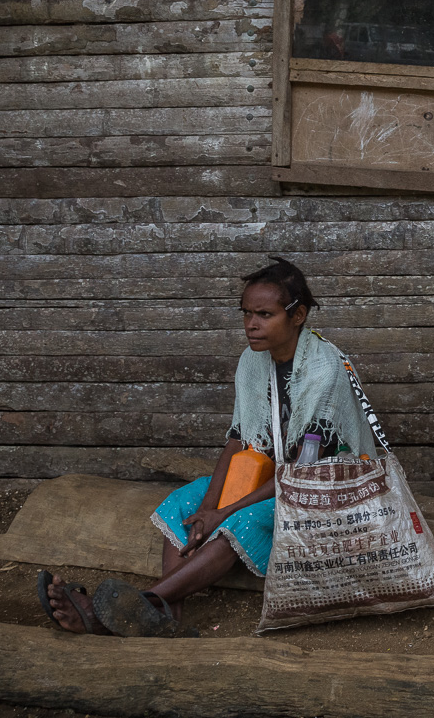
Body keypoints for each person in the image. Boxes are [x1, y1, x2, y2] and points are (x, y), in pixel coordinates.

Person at [37, 257, 376, 636]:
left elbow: (301, 470)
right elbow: (238, 439)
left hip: (326, 488)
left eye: (265, 314)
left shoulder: (323, 368)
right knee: (186, 502)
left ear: (297, 316)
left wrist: (223, 512)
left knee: (242, 519)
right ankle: (167, 619)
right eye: (246, 313)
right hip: (278, 477)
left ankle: (137, 604)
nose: (252, 324)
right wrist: (206, 507)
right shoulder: (252, 362)